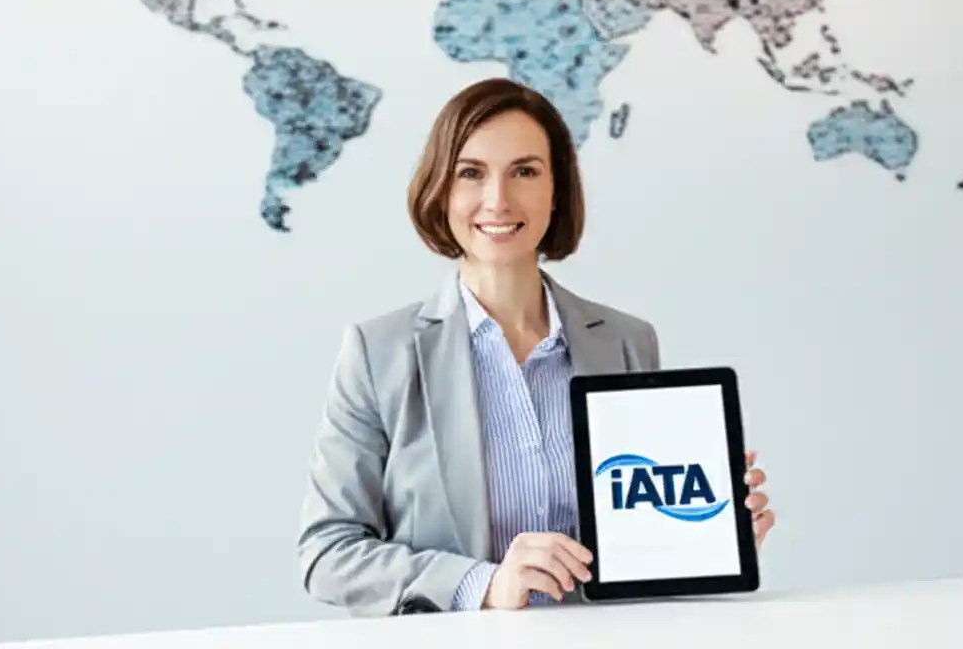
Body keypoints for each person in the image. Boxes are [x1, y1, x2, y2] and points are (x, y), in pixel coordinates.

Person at [297, 78, 775, 616]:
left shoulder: (627, 342)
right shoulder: (376, 352)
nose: (498, 200)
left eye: (525, 172)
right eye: (470, 173)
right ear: (441, 189)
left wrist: (711, 542)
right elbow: (328, 553)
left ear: (556, 191)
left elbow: (636, 552)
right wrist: (483, 584)